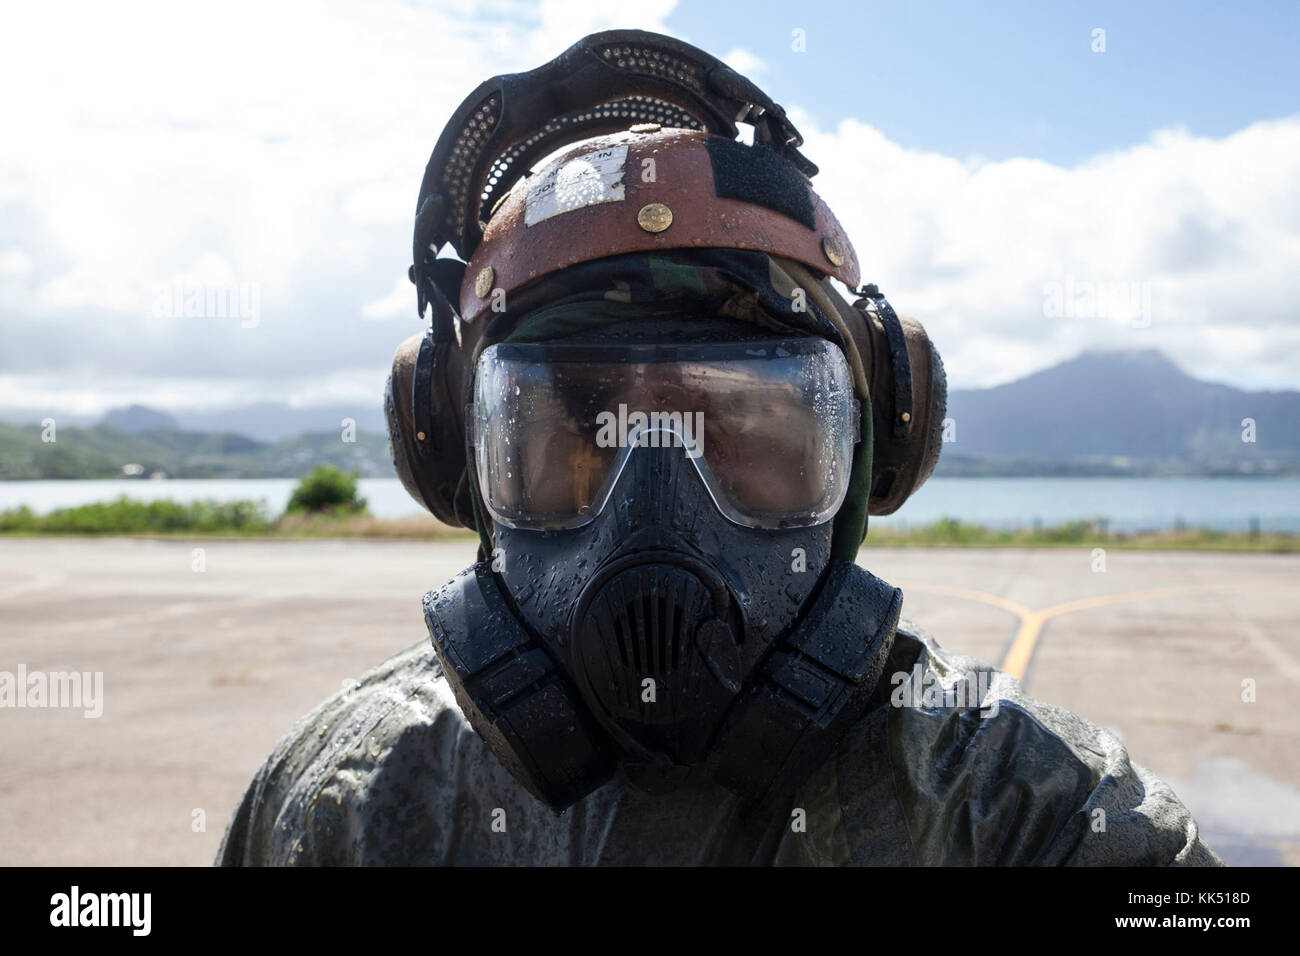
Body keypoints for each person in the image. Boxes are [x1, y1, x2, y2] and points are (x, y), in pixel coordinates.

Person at [218, 29, 1221, 866]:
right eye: (580, 426)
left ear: (871, 453)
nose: (653, 508)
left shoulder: (1031, 814)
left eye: (738, 422)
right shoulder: (337, 810)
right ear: (460, 466)